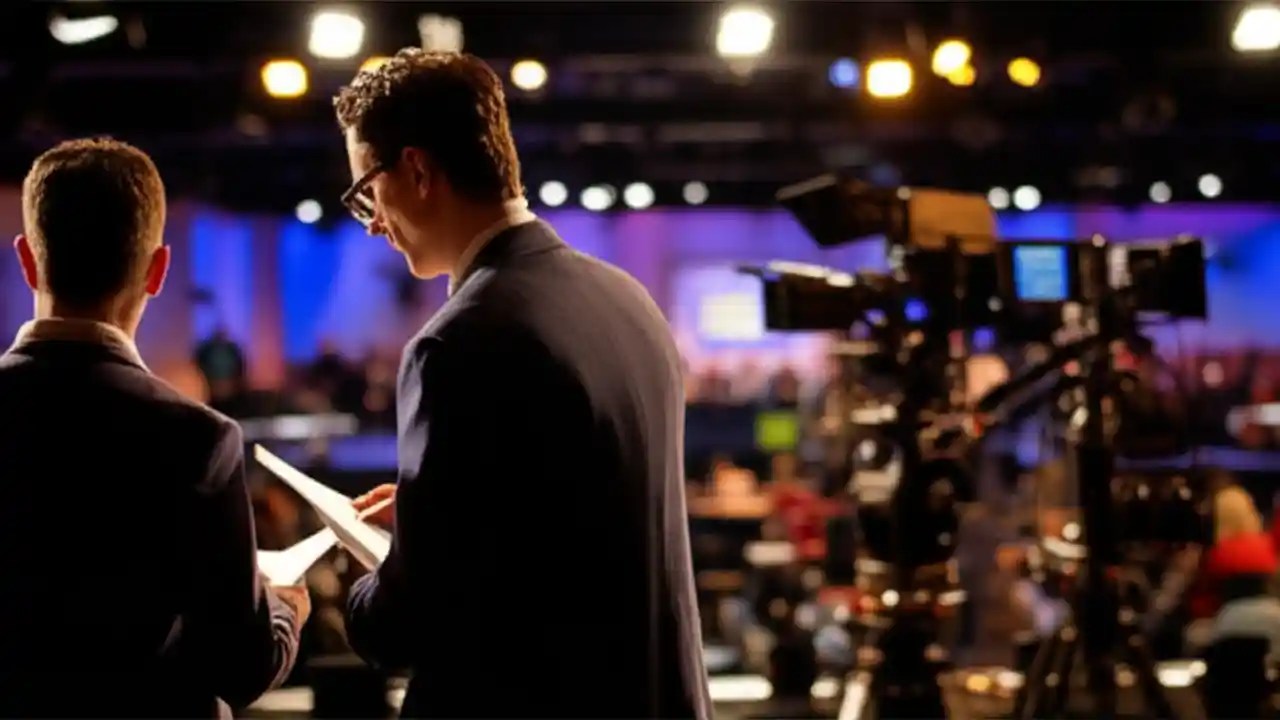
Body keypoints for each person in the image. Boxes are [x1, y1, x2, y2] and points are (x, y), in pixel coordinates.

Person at [333, 49, 711, 718]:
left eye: (367, 191)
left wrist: (361, 577)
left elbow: (406, 624)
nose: (371, 222)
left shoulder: (456, 342)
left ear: (416, 169)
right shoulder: (629, 300)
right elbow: (570, 530)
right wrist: (430, 515)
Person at [0, 138, 309, 717]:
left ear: (27, 260)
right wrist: (286, 611)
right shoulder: (197, 440)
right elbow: (240, 668)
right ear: (159, 270)